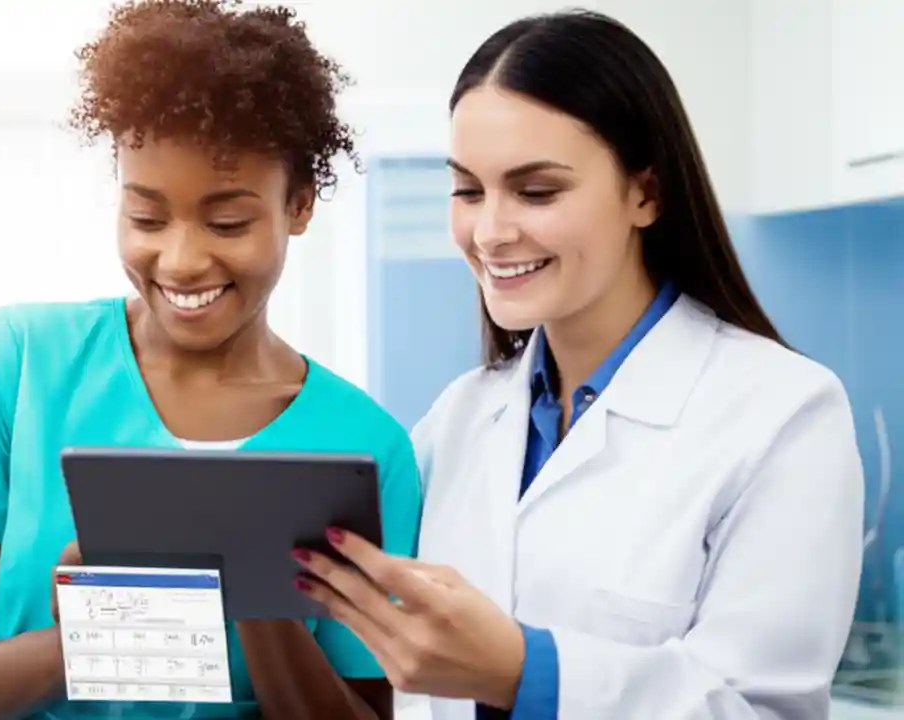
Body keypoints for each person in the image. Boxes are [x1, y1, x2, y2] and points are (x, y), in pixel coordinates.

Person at [291, 10, 864, 720]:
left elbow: (762, 709)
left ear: (645, 192)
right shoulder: (461, 418)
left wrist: (526, 674)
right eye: (468, 190)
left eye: (536, 191)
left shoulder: (784, 414)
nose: (492, 232)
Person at [0, 2, 421, 718]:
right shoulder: (18, 365)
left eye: (228, 222)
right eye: (146, 217)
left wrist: (259, 598)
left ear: (299, 205)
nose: (182, 260)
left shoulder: (366, 446)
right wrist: (98, 635)